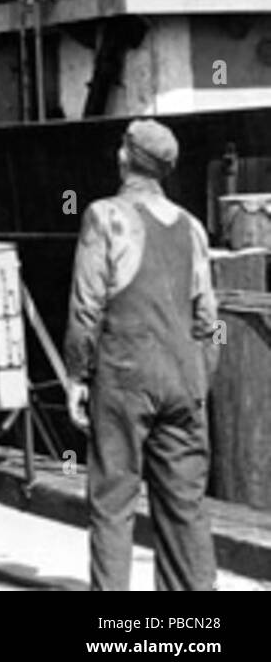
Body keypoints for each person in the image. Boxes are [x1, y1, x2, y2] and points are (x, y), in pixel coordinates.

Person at [64, 118, 222, 591]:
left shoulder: (104, 217)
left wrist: (78, 377)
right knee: (185, 509)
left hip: (125, 379)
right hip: (184, 380)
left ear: (125, 158)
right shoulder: (193, 227)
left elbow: (85, 309)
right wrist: (198, 383)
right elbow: (210, 321)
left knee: (113, 503)